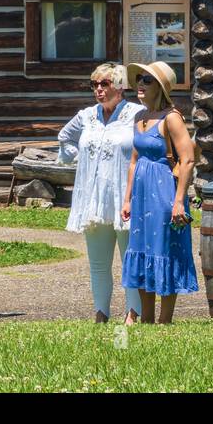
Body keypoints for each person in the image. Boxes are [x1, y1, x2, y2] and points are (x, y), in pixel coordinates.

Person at [58, 63, 143, 325]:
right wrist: (80, 157)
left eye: (104, 84)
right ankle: (101, 313)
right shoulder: (87, 116)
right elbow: (64, 138)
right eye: (94, 85)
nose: (98, 89)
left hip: (125, 196)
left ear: (119, 86)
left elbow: (150, 146)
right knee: (98, 262)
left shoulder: (137, 114)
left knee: (130, 259)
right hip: (93, 198)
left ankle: (132, 313)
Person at [121, 60, 199, 324]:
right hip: (142, 196)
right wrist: (127, 198)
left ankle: (165, 321)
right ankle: (147, 320)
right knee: (142, 250)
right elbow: (134, 160)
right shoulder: (139, 117)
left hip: (165, 192)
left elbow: (187, 159)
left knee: (165, 250)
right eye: (139, 79)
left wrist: (179, 202)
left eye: (147, 80)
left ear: (161, 87)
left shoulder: (172, 118)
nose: (140, 84)